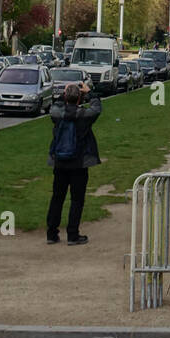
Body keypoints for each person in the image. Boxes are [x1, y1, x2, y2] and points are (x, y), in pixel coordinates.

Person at [46, 81, 101, 246]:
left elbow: (55, 106)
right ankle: (72, 234)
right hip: (78, 163)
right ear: (80, 99)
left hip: (60, 162)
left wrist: (64, 94)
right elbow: (96, 108)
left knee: (57, 198)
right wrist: (89, 92)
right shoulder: (84, 116)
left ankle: (51, 233)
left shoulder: (57, 114)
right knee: (77, 200)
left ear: (64, 97)